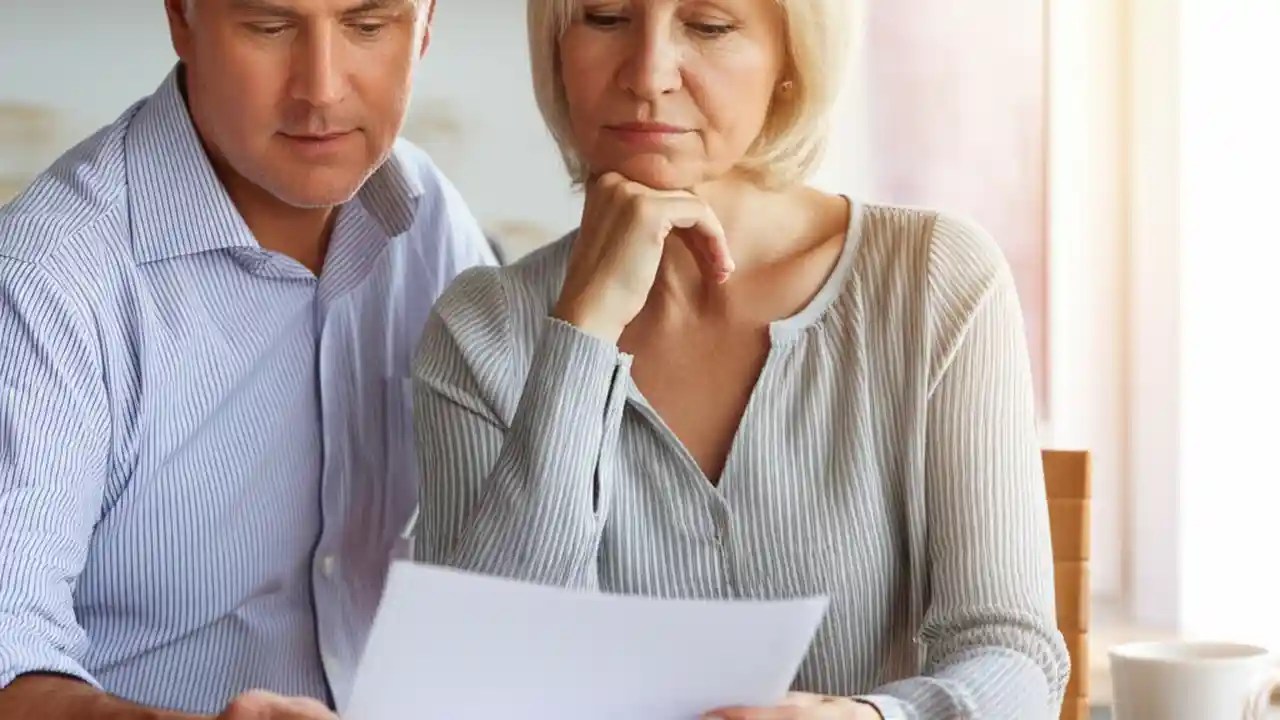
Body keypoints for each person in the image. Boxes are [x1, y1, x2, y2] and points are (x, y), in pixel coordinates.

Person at [411, 0, 1070, 718]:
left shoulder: (935, 280)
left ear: (791, 62)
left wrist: (872, 718)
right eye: (604, 17)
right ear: (557, 52)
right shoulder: (479, 329)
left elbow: (1015, 654)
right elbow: (472, 685)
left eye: (709, 26)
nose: (648, 73)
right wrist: (584, 328)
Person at [0, 0, 494, 717]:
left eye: (367, 25)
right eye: (269, 26)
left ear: (425, 25)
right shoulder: (44, 280)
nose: (321, 88)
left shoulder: (428, 217)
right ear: (182, 18)